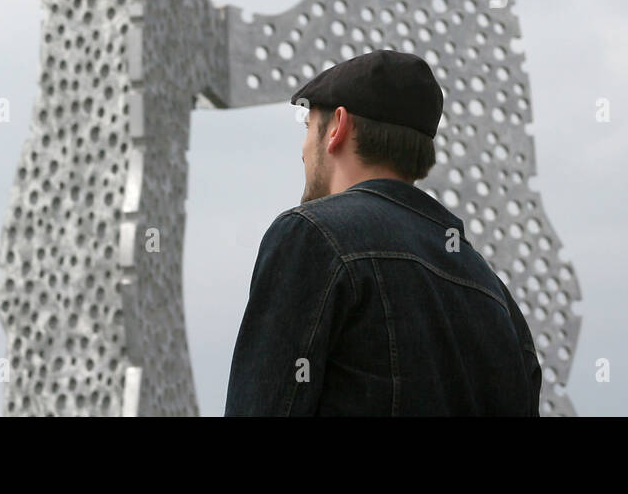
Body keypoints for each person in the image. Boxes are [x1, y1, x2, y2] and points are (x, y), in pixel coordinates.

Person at [223, 49, 542, 416]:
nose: (302, 150)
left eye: (307, 125)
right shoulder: (491, 291)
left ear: (338, 127)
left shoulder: (312, 236)